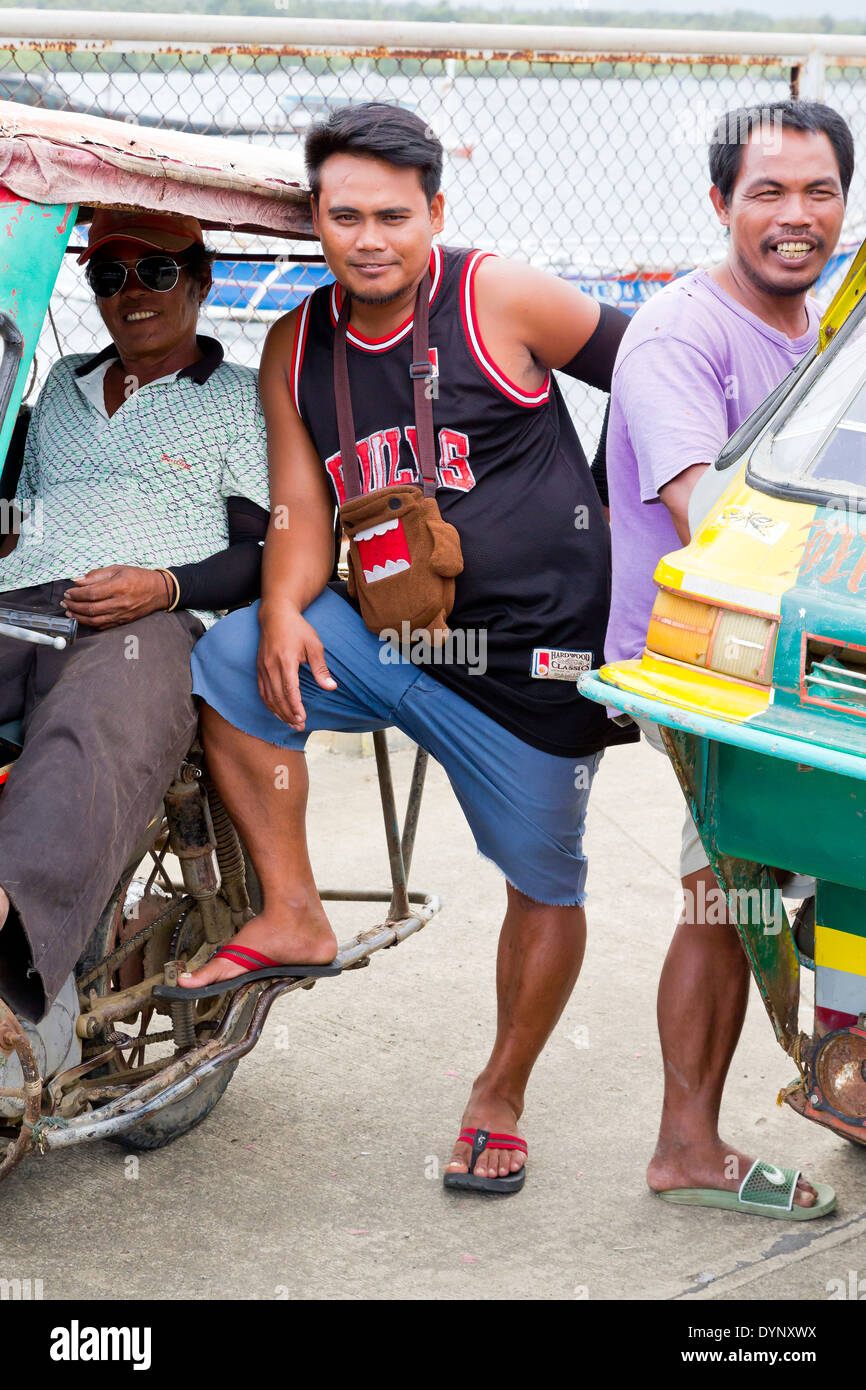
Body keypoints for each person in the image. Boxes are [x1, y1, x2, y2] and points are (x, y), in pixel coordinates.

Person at [181, 101, 631, 1193]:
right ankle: (293, 909)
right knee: (233, 661)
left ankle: (498, 1093)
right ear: (317, 221)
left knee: (545, 879)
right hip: (394, 638)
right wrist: (286, 605)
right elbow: (297, 507)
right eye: (345, 217)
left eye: (393, 214)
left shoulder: (497, 296)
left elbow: (656, 378)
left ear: (435, 212)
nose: (369, 237)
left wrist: (632, 532)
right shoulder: (295, 344)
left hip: (535, 663)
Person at [606, 99, 853, 1217]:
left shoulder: (828, 332)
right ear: (719, 205)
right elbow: (704, 511)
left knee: (814, 871)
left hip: (806, 648)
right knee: (726, 889)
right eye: (766, 192)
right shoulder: (678, 335)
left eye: (816, 192)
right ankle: (686, 1143)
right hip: (712, 663)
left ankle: (839, 1063)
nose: (793, 217)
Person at [0, 208, 270, 1022]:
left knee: (88, 728)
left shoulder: (235, 397)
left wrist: (165, 586)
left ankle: (9, 940)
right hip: (21, 602)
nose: (133, 293)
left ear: (201, 280)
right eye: (110, 276)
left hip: (148, 621)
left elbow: (262, 552)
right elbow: (12, 509)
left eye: (155, 273)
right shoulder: (61, 385)